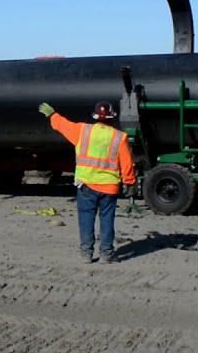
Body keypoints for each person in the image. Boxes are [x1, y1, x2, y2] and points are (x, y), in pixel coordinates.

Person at [39, 100, 137, 264]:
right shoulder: (119, 137)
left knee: (86, 219)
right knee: (107, 220)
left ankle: (86, 254)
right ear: (112, 118)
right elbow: (127, 164)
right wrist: (130, 182)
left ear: (96, 117)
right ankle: (106, 254)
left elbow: (64, 125)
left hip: (86, 185)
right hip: (109, 188)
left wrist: (53, 115)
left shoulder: (83, 131)